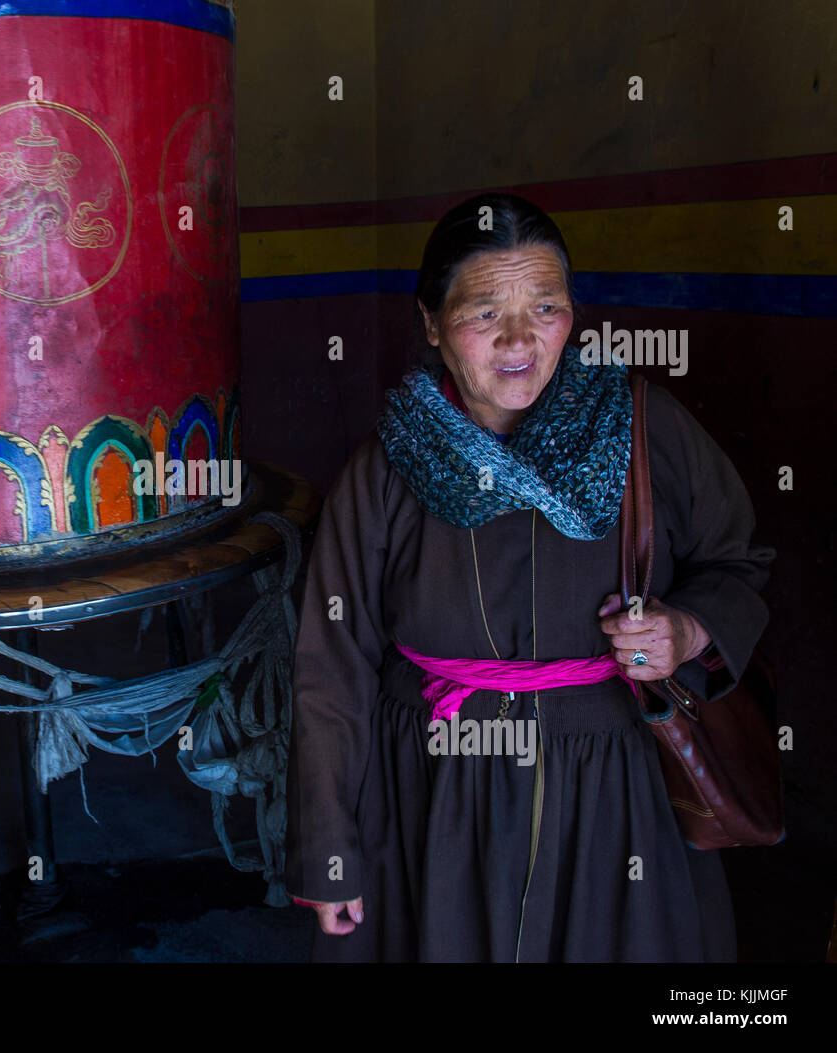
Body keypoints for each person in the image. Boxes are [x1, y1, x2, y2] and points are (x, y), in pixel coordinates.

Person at [282, 192, 775, 962]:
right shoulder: (385, 467)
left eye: (545, 306)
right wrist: (329, 849)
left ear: (573, 316)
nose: (519, 339)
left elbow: (738, 565)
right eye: (485, 313)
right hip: (435, 791)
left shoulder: (644, 427)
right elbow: (330, 667)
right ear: (433, 323)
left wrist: (687, 629)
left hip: (609, 790)